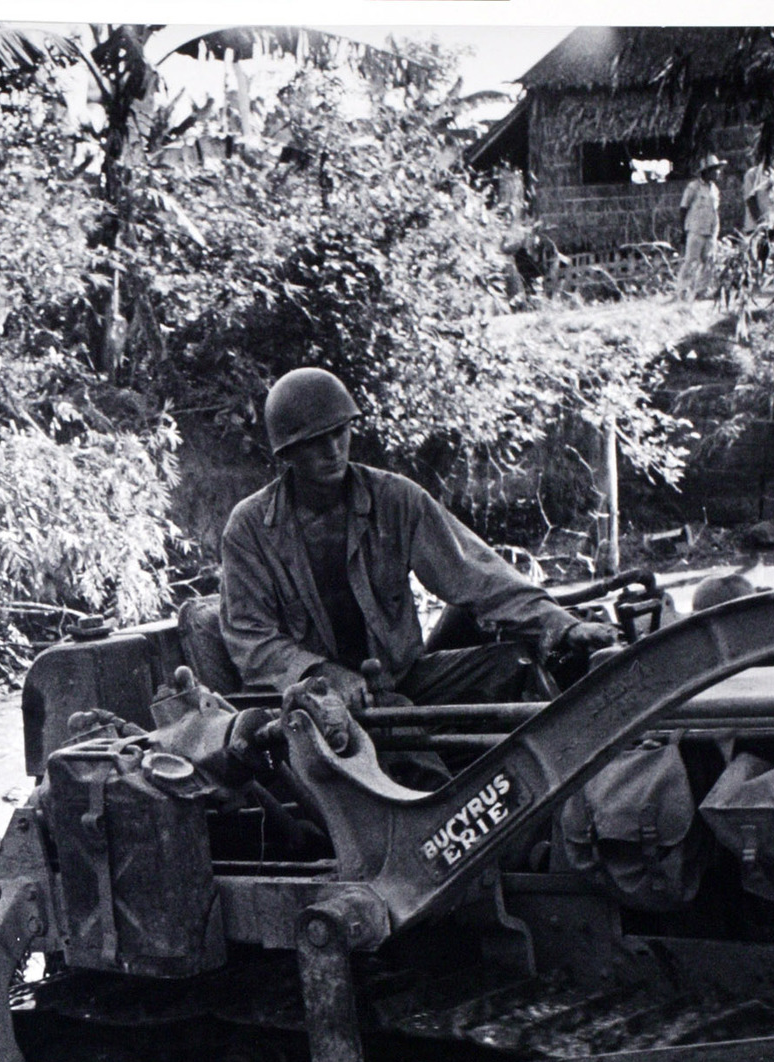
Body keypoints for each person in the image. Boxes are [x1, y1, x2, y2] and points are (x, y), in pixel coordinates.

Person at [219, 368, 622, 712]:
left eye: (340, 432)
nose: (333, 450)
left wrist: (562, 626)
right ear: (287, 452)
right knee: (413, 771)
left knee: (516, 664)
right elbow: (250, 639)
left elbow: (477, 573)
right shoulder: (250, 530)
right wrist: (321, 675)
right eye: (315, 441)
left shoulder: (396, 499)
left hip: (404, 681)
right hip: (317, 708)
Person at [679, 155, 725, 298]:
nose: (718, 173)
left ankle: (702, 290)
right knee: (691, 260)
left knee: (709, 261)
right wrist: (683, 230)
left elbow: (715, 210)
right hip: (696, 230)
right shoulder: (694, 187)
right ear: (706, 172)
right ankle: (683, 290)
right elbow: (683, 208)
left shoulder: (714, 190)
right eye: (715, 170)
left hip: (711, 230)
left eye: (718, 170)